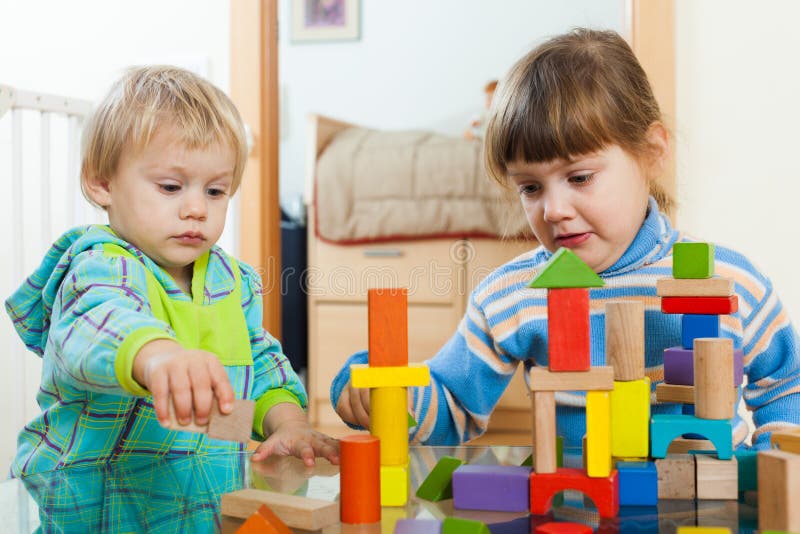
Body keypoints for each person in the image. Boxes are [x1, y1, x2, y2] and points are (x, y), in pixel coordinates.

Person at [331, 28, 800, 451]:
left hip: (705, 503)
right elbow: (453, 402)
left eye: (579, 177)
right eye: (530, 188)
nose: (553, 209)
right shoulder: (511, 295)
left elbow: (786, 388)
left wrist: (774, 473)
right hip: (571, 501)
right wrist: (382, 391)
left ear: (652, 152)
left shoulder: (730, 280)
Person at [5, 66, 339, 477]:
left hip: (192, 493)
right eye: (170, 187)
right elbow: (98, 323)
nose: (197, 208)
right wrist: (158, 355)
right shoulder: (99, 265)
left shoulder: (233, 282)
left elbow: (262, 367)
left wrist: (288, 423)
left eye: (215, 191)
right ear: (102, 184)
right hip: (84, 493)